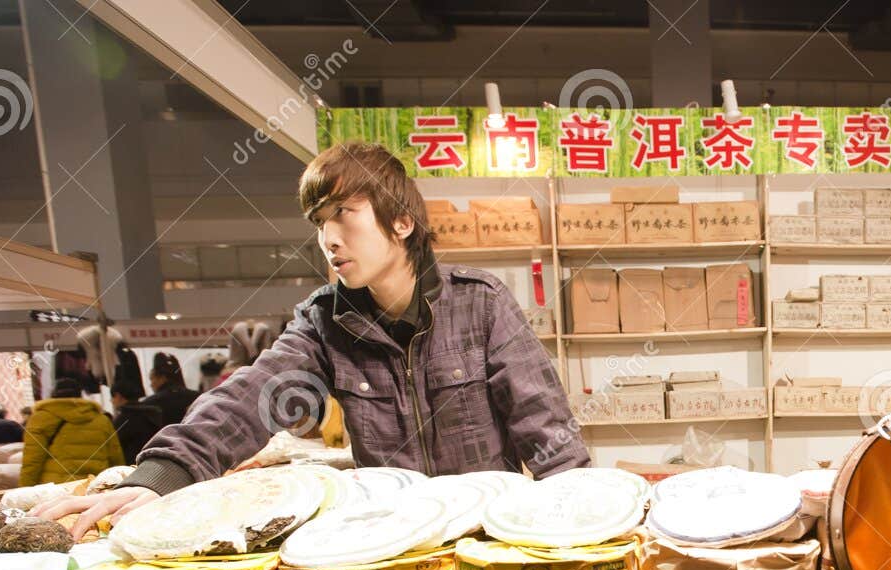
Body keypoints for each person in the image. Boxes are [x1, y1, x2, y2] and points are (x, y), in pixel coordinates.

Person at [34, 139, 587, 537]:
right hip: (391, 546)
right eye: (318, 221)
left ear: (401, 223)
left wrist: (586, 524)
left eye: (344, 214)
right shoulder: (325, 324)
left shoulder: (481, 304)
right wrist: (161, 476)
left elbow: (547, 430)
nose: (328, 238)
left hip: (488, 539)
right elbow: (251, 396)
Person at [20, 377, 125, 486]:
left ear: (53, 394)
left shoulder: (40, 419)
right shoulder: (102, 420)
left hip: (56, 489)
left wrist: (24, 490)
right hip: (96, 487)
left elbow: (32, 462)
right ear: (80, 394)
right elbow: (116, 458)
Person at [110, 350, 165, 466]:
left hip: (132, 466)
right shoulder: (153, 412)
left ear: (119, 396)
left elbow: (115, 447)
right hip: (155, 464)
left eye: (113, 397)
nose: (112, 401)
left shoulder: (123, 419)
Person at [144, 352, 196, 425]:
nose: (151, 384)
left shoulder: (149, 404)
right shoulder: (197, 397)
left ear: (162, 378)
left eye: (152, 379)